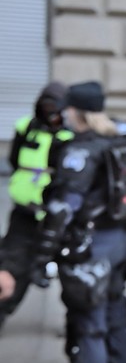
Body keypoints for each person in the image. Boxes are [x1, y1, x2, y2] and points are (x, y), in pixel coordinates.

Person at [0, 82, 126, 363]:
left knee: (88, 329)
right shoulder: (125, 136)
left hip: (89, 250)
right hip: (121, 243)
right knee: (117, 316)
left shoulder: (82, 151)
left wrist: (42, 258)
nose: (64, 116)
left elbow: (61, 209)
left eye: (68, 110)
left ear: (77, 112)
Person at [0, 83, 72, 329]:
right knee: (11, 265)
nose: (51, 112)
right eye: (47, 106)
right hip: (25, 210)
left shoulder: (70, 137)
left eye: (55, 107)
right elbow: (14, 159)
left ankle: (74, 323)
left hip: (56, 215)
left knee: (68, 270)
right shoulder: (26, 127)